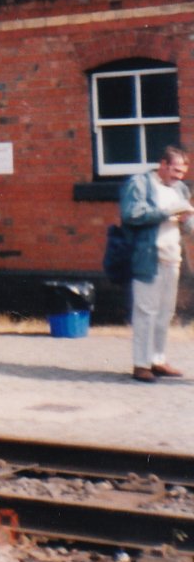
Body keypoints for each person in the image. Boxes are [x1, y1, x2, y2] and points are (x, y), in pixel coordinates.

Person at [119, 144, 193, 383]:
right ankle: (141, 365)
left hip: (174, 258)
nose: (180, 177)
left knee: (165, 313)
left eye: (182, 173)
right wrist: (167, 212)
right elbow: (132, 213)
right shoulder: (139, 183)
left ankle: (158, 360)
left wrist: (188, 220)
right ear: (162, 164)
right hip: (148, 258)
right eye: (176, 171)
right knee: (145, 311)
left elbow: (184, 223)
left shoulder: (180, 188)